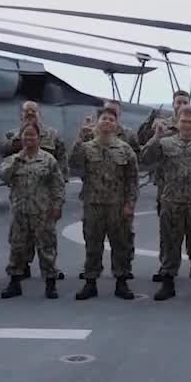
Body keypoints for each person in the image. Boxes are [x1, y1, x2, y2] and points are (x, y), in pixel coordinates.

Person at [140, 104, 191, 301]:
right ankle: (167, 282)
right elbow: (145, 159)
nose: (188, 125)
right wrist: (156, 136)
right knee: (170, 242)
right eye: (184, 121)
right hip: (172, 202)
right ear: (177, 123)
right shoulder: (165, 143)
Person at [68, 107, 139, 301]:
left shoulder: (125, 150)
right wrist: (79, 139)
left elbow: (133, 179)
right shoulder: (86, 147)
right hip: (93, 205)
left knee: (121, 245)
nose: (107, 122)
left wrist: (130, 204)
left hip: (117, 206)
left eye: (111, 119)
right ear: (97, 123)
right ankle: (90, 282)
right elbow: (73, 165)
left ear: (116, 125)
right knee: (92, 245)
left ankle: (121, 281)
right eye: (104, 119)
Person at [0, 100, 69, 281]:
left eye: (33, 111)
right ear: (21, 115)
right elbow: (3, 152)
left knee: (46, 238)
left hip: (43, 198)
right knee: (20, 238)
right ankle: (22, 267)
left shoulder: (52, 135)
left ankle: (50, 272)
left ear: (40, 113)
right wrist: (17, 139)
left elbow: (61, 162)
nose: (30, 114)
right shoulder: (13, 135)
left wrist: (58, 197)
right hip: (21, 196)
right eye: (26, 112)